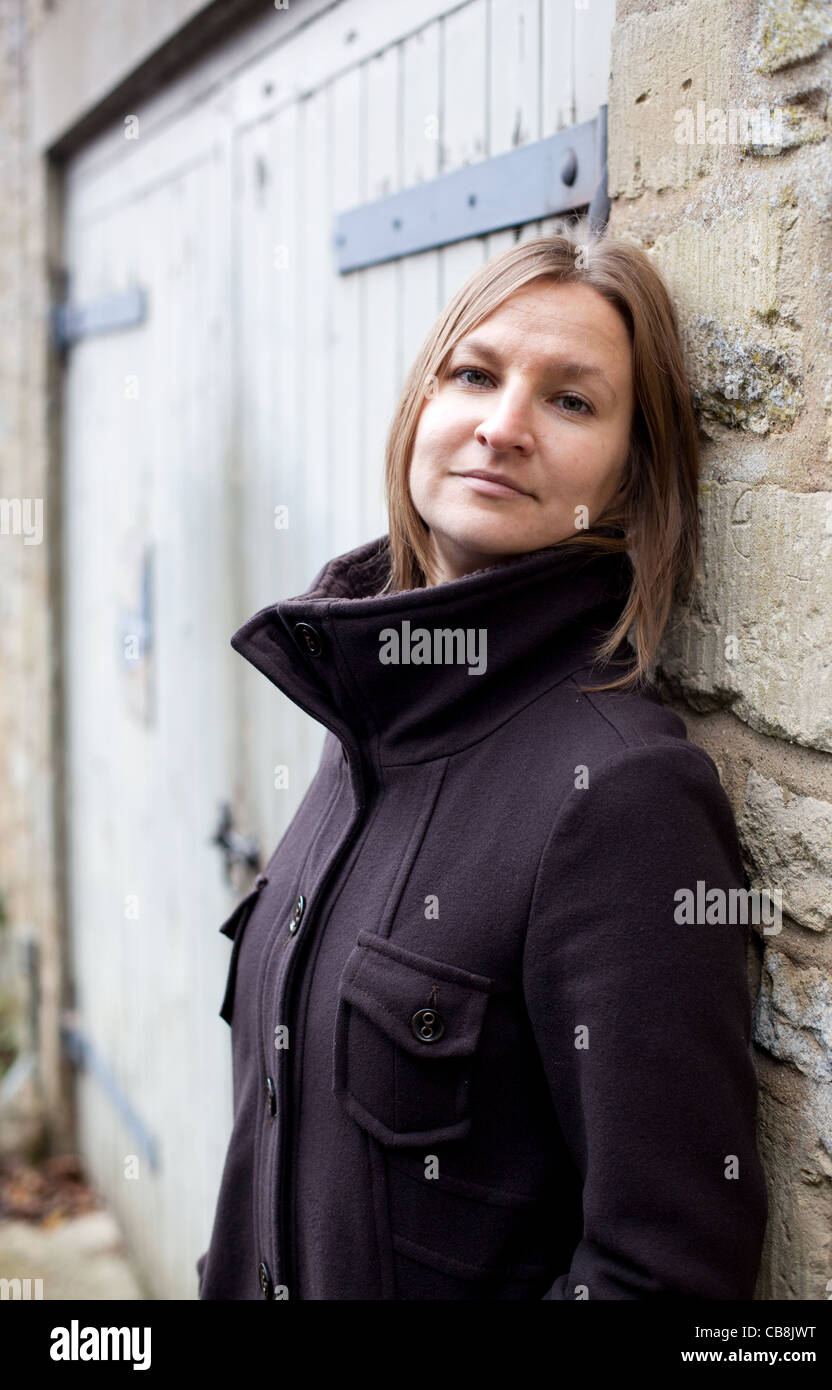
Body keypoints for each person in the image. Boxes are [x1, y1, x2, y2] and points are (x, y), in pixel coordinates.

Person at [197, 233, 768, 1300]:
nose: (500, 427)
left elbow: (665, 1276)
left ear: (630, 480)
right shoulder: (366, 710)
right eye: (473, 374)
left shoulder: (622, 797)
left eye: (570, 402)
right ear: (419, 406)